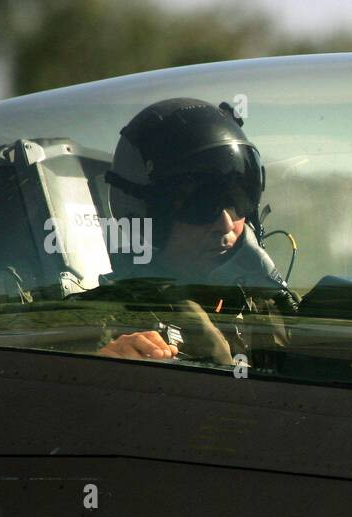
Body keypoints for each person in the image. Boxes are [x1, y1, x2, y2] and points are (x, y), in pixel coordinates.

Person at [90, 97, 297, 367]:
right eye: (201, 206)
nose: (225, 225)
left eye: (238, 201)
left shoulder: (266, 308)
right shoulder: (102, 322)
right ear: (150, 218)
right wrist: (104, 363)